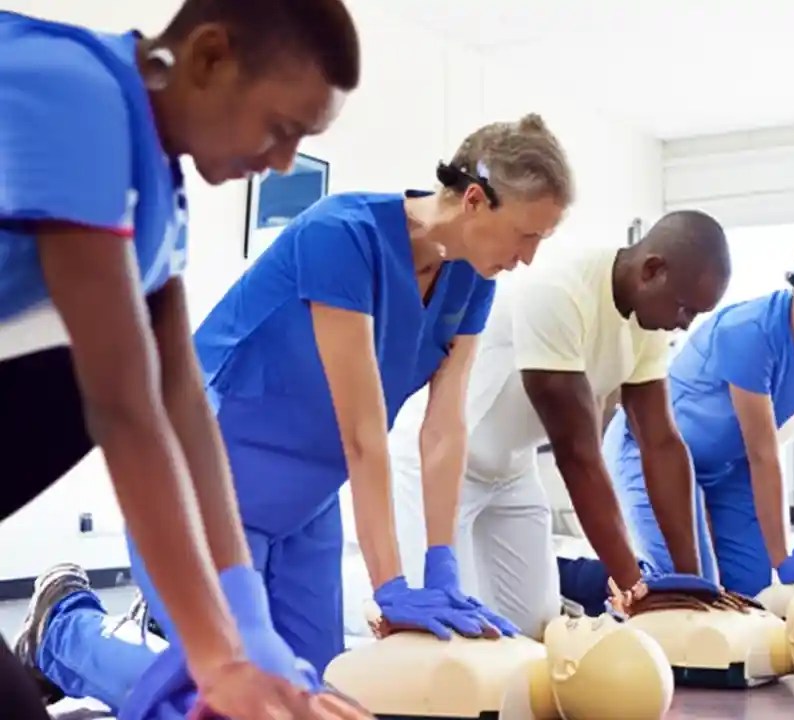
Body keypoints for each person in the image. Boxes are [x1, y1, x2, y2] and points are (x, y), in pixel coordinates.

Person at [18, 114, 570, 715]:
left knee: (324, 698)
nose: (529, 258)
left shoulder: (473, 279)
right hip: (207, 481)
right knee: (233, 701)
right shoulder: (343, 235)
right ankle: (63, 630)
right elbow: (365, 431)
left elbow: (444, 429)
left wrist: (441, 568)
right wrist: (390, 587)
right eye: (526, 236)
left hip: (308, 501)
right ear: (474, 201)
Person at [0, 2, 360, 718]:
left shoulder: (159, 187)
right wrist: (215, 656)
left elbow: (185, 403)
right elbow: (124, 403)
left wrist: (246, 622)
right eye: (284, 129)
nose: (285, 161)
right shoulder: (76, 92)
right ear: (209, 57)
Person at [384, 210, 733, 637]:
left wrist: (688, 586)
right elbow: (577, 455)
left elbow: (660, 443)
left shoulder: (649, 321)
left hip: (510, 471)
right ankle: (369, 614)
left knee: (535, 630)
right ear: (652, 270)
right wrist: (634, 589)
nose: (684, 324)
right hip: (437, 464)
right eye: (684, 308)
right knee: (453, 634)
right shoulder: (561, 291)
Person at [608, 226, 794, 598]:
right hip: (651, 455)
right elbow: (763, 453)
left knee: (753, 591)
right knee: (697, 591)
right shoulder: (749, 332)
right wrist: (783, 558)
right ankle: (619, 599)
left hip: (725, 468)